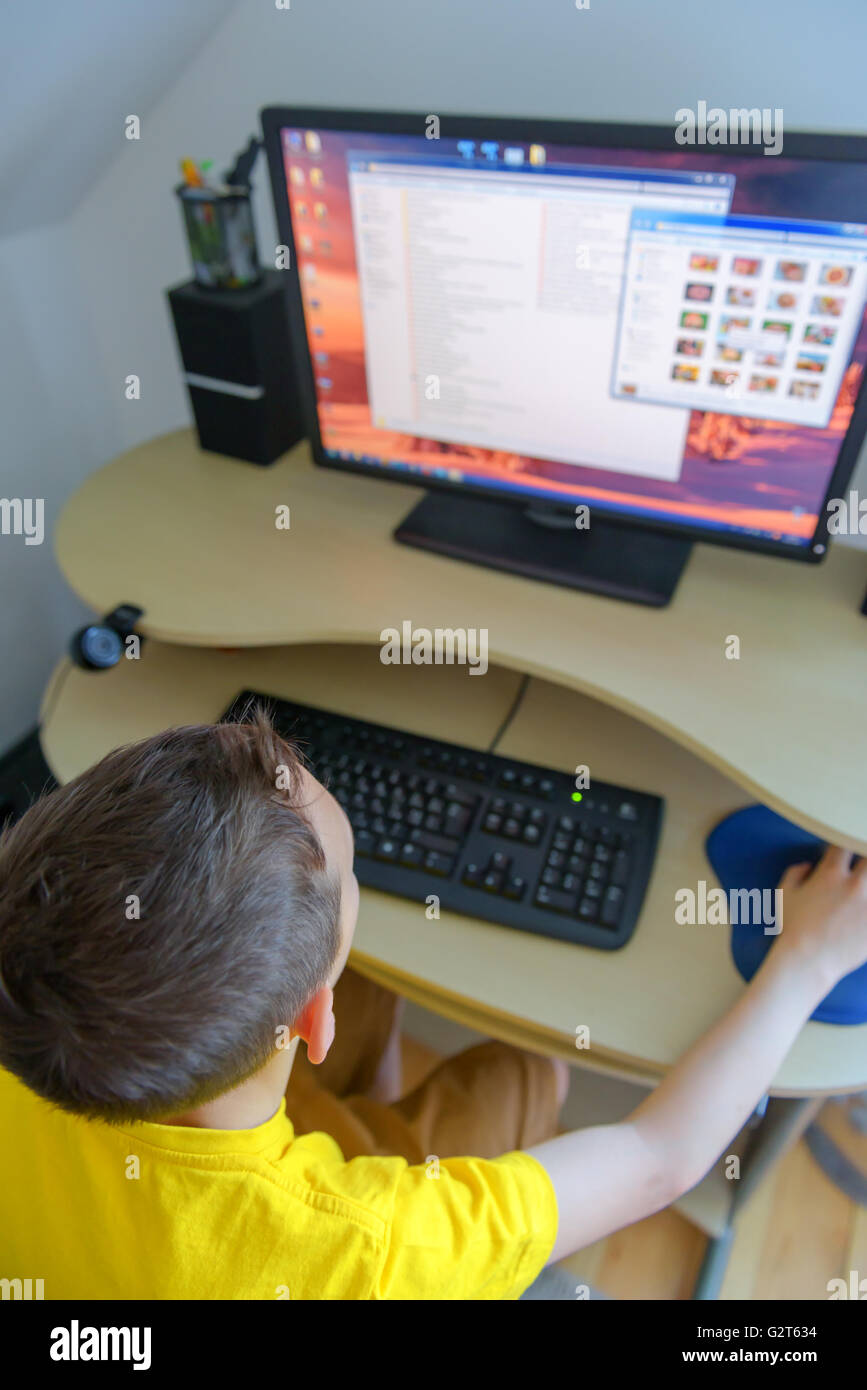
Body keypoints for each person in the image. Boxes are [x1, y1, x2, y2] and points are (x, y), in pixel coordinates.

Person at [1, 711, 864, 1299]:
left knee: (376, 982)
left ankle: (374, 1106)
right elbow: (659, 1156)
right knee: (526, 1067)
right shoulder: (372, 1248)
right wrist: (805, 957)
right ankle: (395, 1114)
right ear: (311, 1023)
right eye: (353, 877)